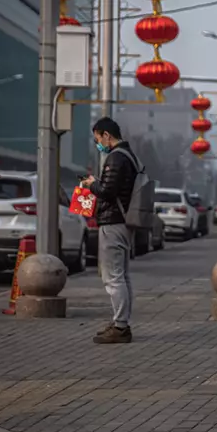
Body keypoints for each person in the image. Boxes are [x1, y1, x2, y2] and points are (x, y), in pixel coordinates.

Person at [81, 117, 138, 344]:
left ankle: (121, 326)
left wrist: (90, 184)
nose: (98, 143)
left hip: (113, 222)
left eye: (98, 138)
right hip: (122, 221)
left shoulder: (115, 157)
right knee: (121, 276)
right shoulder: (129, 155)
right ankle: (120, 322)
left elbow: (107, 191)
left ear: (106, 135)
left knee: (113, 277)